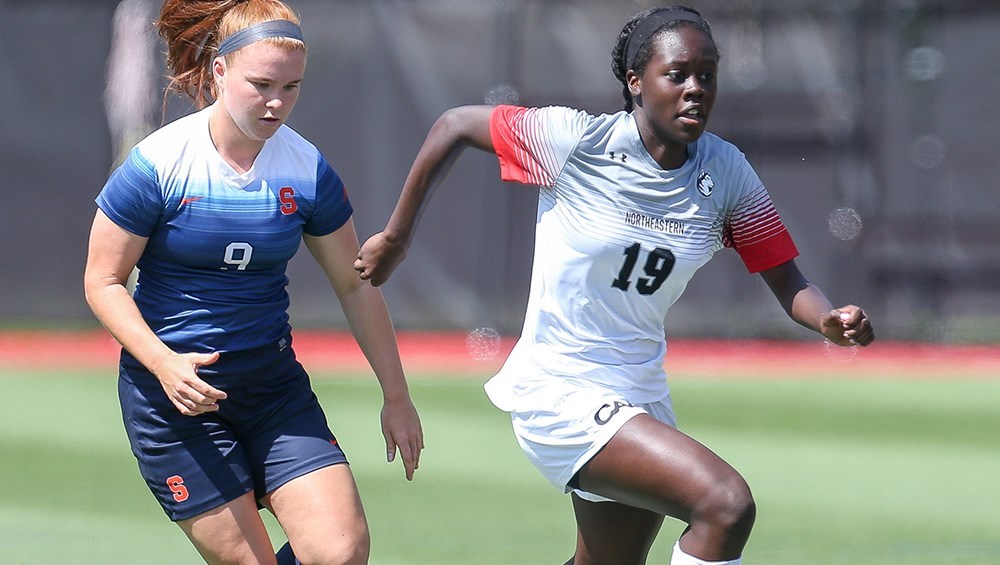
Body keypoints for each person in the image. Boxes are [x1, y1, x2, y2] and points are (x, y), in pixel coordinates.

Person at [354, 5, 874, 564]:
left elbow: (787, 278)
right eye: (677, 74)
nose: (696, 89)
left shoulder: (725, 171)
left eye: (707, 74)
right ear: (635, 82)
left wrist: (826, 320)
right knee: (725, 503)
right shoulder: (576, 141)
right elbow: (454, 124)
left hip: (639, 394)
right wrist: (396, 237)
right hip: (560, 391)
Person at [83, 1, 423, 563]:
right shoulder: (158, 164)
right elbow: (102, 281)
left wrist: (397, 395)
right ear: (220, 71)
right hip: (176, 401)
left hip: (272, 391)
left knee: (340, 553)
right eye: (261, 85)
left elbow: (356, 285)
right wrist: (164, 363)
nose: (276, 103)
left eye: (291, 88)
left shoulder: (307, 170)